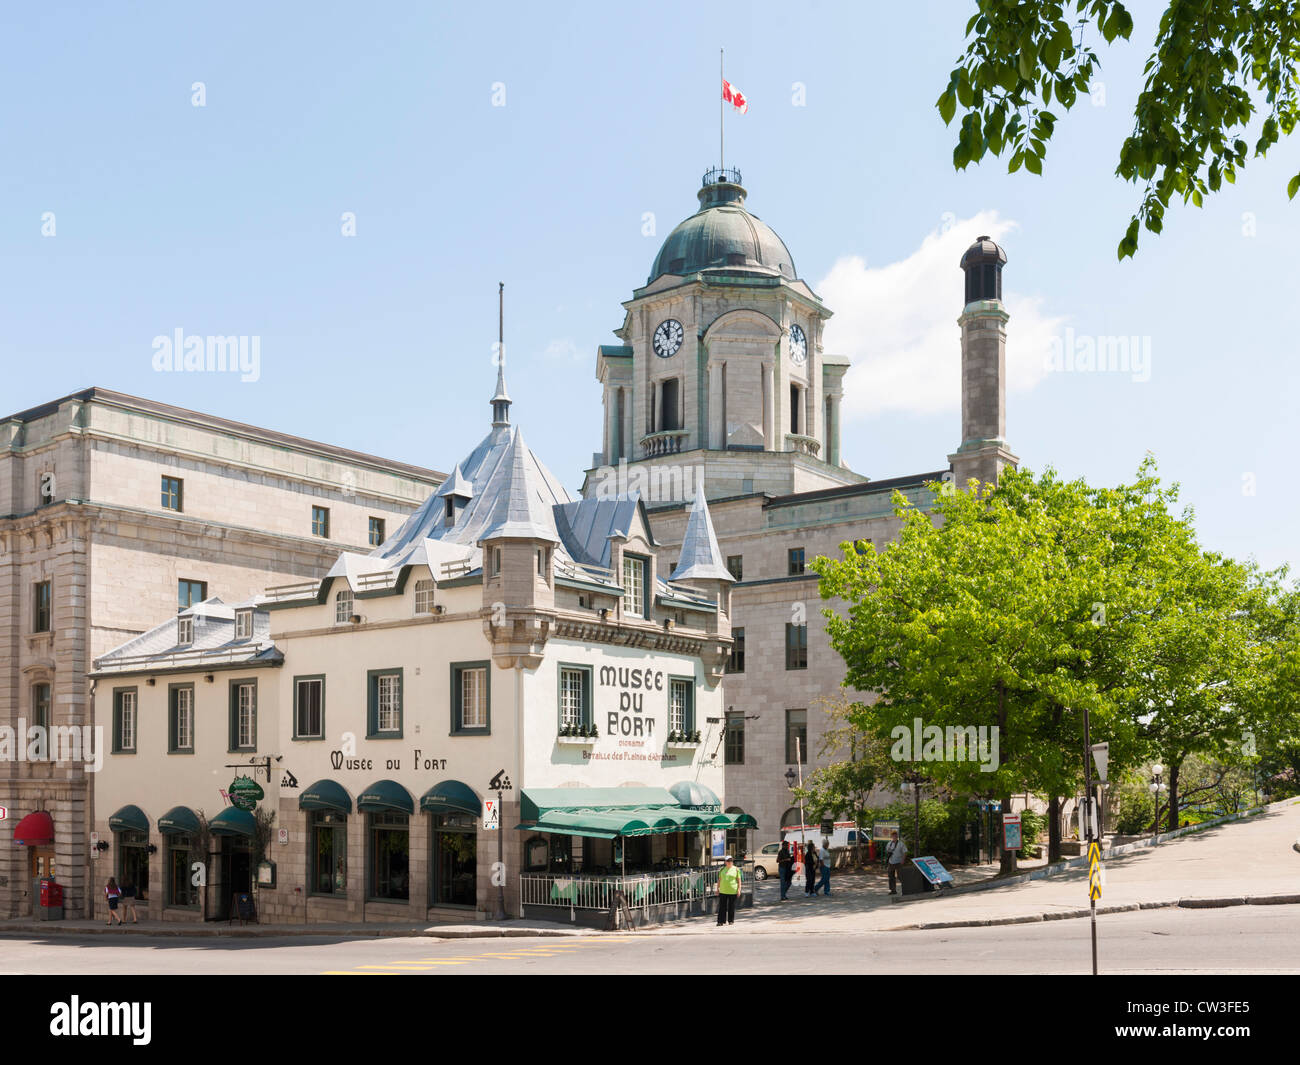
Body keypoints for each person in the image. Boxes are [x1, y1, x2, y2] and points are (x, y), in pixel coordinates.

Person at [716, 855, 742, 926]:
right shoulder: (722, 870)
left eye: (731, 861)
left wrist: (739, 889)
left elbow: (739, 880)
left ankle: (731, 920)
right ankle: (720, 921)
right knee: (722, 907)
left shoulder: (736, 869)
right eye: (728, 861)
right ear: (725, 862)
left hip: (733, 891)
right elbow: (719, 880)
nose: (730, 862)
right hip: (723, 891)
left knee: (731, 906)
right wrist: (717, 889)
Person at [886, 830, 908, 896]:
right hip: (891, 862)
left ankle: (906, 889)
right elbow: (887, 851)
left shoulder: (901, 843)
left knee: (901, 876)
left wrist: (903, 860)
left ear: (897, 836)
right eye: (893, 835)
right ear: (891, 836)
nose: (894, 837)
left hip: (899, 862)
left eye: (895, 835)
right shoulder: (889, 843)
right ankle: (893, 890)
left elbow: (905, 852)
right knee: (891, 877)